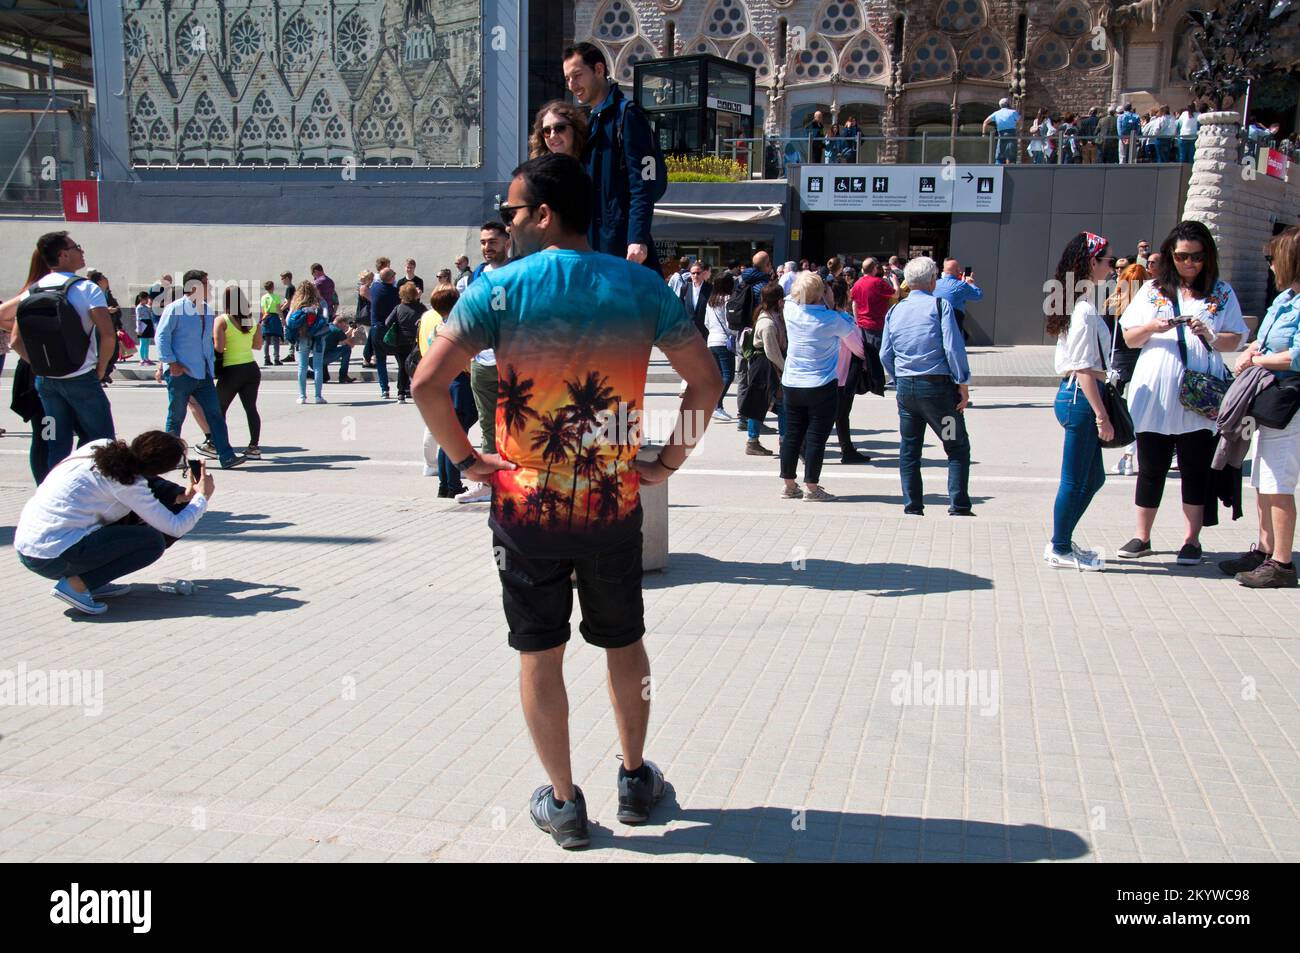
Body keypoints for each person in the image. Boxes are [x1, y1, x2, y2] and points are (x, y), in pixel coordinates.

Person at [411, 152, 720, 849]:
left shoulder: (498, 290)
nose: (506, 226)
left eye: (513, 213)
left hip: (526, 510)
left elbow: (428, 386)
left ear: (544, 215)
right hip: (613, 508)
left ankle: (564, 801)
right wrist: (668, 458)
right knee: (623, 642)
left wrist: (466, 460)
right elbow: (708, 382)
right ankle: (637, 780)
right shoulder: (641, 287)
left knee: (538, 652)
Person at [1118, 220, 1246, 565]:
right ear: (1170, 255)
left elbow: (1236, 337)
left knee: (1195, 468)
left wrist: (1211, 335)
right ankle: (1142, 536)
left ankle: (1192, 539)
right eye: (1182, 256)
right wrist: (1151, 326)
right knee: (1151, 467)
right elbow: (1129, 338)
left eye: (1198, 257)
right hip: (1154, 395)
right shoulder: (1153, 290)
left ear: (1208, 257)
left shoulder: (1221, 292)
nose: (1189, 263)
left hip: (1198, 398)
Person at [14, 431, 213, 615]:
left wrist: (181, 495)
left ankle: (92, 583)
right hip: (52, 558)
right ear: (158, 469)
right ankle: (77, 586)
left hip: (29, 546)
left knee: (137, 523)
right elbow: (175, 526)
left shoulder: (101, 447)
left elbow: (144, 482)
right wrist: (202, 497)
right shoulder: (129, 484)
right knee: (152, 542)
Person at [1218, 226, 1300, 588]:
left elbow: (1296, 355)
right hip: (1268, 398)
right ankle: (1266, 550)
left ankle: (1282, 564)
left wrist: (1258, 362)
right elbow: (1263, 341)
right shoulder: (1284, 299)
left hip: (1289, 401)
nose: (1269, 265)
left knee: (1277, 480)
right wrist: (1251, 352)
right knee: (1262, 478)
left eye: (1272, 258)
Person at [2, 231, 117, 472]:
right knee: (103, 442)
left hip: (46, 383)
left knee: (56, 442)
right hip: (81, 379)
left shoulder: (33, 290)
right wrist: (101, 368)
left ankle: (54, 493)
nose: (81, 251)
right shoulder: (87, 289)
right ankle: (98, 496)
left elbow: (14, 342)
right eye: (77, 247)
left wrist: (38, 364)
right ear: (63, 255)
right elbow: (107, 335)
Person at [880, 256, 974, 516]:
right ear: (933, 280)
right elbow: (953, 348)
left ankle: (913, 506)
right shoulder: (940, 306)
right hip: (937, 389)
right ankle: (959, 505)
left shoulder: (895, 310)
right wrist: (962, 383)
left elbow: (884, 354)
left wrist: (898, 377)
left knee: (910, 449)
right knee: (955, 446)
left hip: (907, 390)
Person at [1044, 233, 1114, 571]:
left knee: (1094, 477)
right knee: (1074, 479)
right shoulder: (1084, 309)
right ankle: (1059, 546)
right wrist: (1103, 416)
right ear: (1091, 263)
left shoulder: (1080, 303)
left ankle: (1062, 540)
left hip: (1077, 396)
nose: (1112, 267)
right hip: (1081, 397)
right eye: (1107, 261)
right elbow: (1084, 367)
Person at [563, 42, 663, 273]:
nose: (572, 85)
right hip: (596, 249)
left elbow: (644, 184)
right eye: (568, 79)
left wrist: (637, 238)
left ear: (599, 70)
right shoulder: (591, 122)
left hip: (625, 249)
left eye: (577, 76)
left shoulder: (627, 115)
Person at [779, 272, 859, 501]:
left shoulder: (790, 311)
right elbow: (852, 336)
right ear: (822, 294)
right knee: (816, 438)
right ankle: (812, 488)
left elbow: (789, 299)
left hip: (792, 382)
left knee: (792, 434)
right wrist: (832, 304)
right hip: (821, 384)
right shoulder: (833, 320)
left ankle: (789, 484)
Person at [156, 271, 245, 469]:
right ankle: (173, 459)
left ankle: (227, 456)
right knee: (176, 416)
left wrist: (210, 365)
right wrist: (171, 363)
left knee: (215, 415)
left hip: (203, 374)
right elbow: (162, 337)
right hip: (181, 373)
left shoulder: (207, 310)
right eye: (207, 284)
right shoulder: (176, 308)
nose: (211, 288)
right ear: (194, 287)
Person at [457, 222, 510, 505]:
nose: (487, 247)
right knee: (488, 426)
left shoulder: (519, 272)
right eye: (483, 242)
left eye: (492, 241)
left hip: (510, 362)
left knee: (516, 423)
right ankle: (489, 485)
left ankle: (519, 480)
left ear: (507, 242)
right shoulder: (476, 275)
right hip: (482, 362)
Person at [419, 286, 476, 490]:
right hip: (459, 383)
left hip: (446, 383)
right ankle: (452, 483)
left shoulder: (439, 327)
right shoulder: (455, 328)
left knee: (448, 437)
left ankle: (445, 483)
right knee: (457, 436)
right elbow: (465, 360)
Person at [1104, 261, 1150, 475]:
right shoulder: (1148, 306)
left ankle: (1125, 456)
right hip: (1143, 362)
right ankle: (1131, 457)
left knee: (1115, 410)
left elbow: (1104, 337)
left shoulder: (1112, 303)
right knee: (1139, 413)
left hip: (1118, 363)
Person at [214, 286, 263, 459]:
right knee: (251, 408)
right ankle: (254, 447)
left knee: (219, 409)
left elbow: (218, 348)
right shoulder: (252, 320)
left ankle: (217, 445)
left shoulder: (222, 320)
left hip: (231, 369)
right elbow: (258, 345)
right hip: (251, 368)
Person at [830, 278, 869, 463]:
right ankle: (846, 450)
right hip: (841, 374)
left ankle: (847, 449)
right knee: (839, 414)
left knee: (837, 415)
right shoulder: (842, 319)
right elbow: (858, 348)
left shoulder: (830, 316)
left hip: (833, 373)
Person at [749, 281, 788, 454]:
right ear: (778, 300)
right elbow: (772, 352)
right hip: (766, 365)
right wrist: (785, 369)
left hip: (767, 363)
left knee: (761, 402)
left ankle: (753, 440)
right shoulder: (768, 323)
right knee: (776, 403)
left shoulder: (773, 316)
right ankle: (783, 441)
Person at [287, 279, 331, 405]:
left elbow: (288, 319)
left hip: (302, 337)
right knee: (318, 367)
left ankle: (302, 396)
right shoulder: (320, 302)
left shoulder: (296, 304)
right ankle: (318, 396)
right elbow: (326, 317)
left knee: (302, 367)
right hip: (318, 337)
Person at [704, 273, 736, 422]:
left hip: (712, 340)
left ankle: (719, 406)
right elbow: (731, 323)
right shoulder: (728, 300)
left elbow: (706, 322)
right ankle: (715, 405)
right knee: (728, 375)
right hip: (724, 341)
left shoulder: (711, 301)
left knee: (719, 376)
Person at [386, 279, 425, 403]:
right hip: (416, 342)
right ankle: (418, 391)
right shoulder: (421, 307)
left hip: (400, 342)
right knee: (417, 367)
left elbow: (387, 322)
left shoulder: (398, 308)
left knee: (402, 367)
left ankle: (401, 393)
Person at [933, 259, 983, 343]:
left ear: (944, 270)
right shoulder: (961, 285)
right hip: (954, 326)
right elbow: (978, 295)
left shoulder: (934, 284)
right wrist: (970, 284)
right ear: (958, 270)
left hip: (935, 326)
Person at [367, 267, 399, 399]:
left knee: (380, 360)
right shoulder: (395, 292)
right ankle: (404, 386)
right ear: (391, 278)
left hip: (376, 328)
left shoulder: (375, 288)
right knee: (399, 357)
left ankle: (384, 389)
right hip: (391, 328)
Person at [983, 97, 1021, 165]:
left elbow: (985, 122)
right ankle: (1011, 172)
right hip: (1011, 135)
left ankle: (997, 171)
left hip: (1001, 136)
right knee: (1011, 156)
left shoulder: (996, 113)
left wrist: (983, 134)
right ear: (1008, 104)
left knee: (1000, 156)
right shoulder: (1013, 112)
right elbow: (1020, 122)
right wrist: (1017, 128)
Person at [679, 260, 711, 339]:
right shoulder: (685, 288)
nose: (695, 275)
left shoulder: (710, 289)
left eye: (698, 273)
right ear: (690, 274)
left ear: (703, 273)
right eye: (693, 273)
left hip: (705, 332)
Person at [320, 312, 355, 385]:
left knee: (325, 378)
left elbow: (340, 341)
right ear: (341, 323)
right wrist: (353, 334)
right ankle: (343, 376)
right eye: (345, 325)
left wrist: (349, 331)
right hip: (323, 358)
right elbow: (351, 345)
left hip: (315, 358)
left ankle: (307, 373)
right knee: (347, 349)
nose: (345, 327)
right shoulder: (337, 330)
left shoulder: (328, 326)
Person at [258, 280, 284, 367]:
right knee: (276, 339)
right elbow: (279, 310)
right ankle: (276, 359)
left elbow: (262, 310)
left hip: (266, 317)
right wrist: (283, 319)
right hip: (274, 318)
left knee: (266, 340)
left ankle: (266, 359)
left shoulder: (263, 297)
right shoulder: (276, 297)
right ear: (272, 287)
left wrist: (261, 320)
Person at [355, 269, 374, 367]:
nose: (371, 280)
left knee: (370, 337)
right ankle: (367, 359)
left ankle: (369, 359)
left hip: (367, 315)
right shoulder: (364, 288)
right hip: (367, 315)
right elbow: (372, 300)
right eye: (370, 278)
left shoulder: (364, 287)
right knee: (370, 337)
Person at [134, 291, 157, 364]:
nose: (147, 300)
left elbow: (151, 316)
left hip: (148, 323)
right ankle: (142, 358)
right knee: (142, 342)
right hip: (142, 324)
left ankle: (146, 358)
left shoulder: (147, 307)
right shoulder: (138, 308)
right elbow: (138, 318)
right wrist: (138, 328)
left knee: (147, 342)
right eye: (146, 299)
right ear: (141, 299)